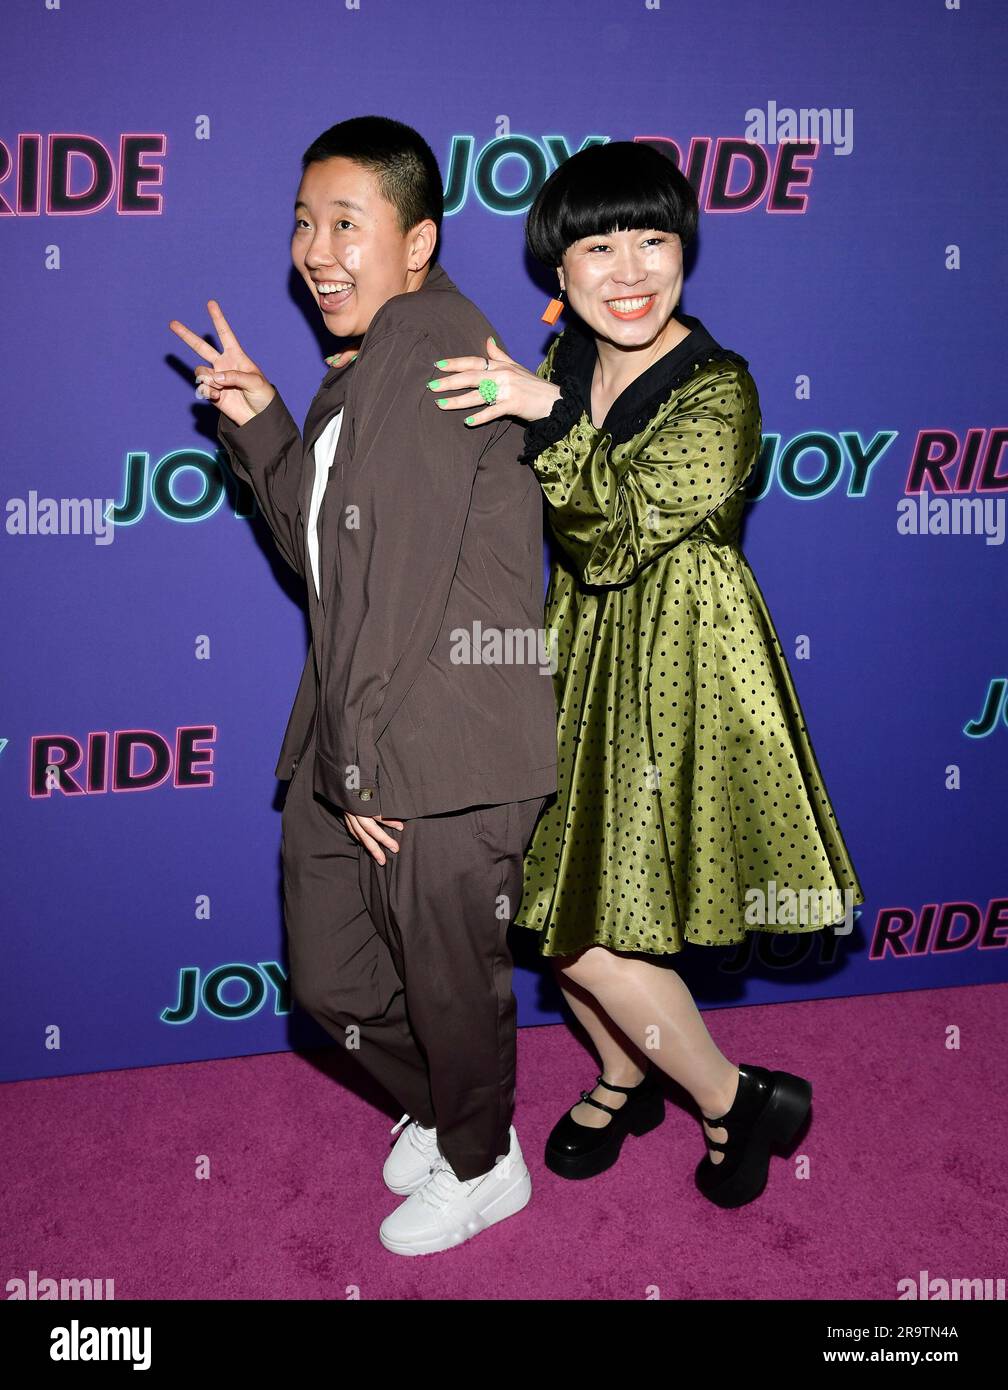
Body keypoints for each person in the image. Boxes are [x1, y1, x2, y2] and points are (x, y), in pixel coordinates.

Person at [426, 140, 864, 1209]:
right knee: (553, 903)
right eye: (599, 244)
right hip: (578, 646)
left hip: (683, 666)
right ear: (558, 268)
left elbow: (615, 538)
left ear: (687, 252)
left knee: (588, 920)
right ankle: (628, 1073)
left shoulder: (720, 390)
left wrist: (546, 414)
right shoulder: (566, 360)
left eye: (654, 240)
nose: (629, 270)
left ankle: (730, 1097)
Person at [169, 116, 557, 1254]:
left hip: (445, 746)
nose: (315, 248)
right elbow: (332, 562)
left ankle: (485, 1164)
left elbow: (396, 591)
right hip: (373, 731)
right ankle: (447, 1110)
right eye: (303, 221)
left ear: (418, 240)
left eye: (348, 223)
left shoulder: (434, 346)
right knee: (333, 981)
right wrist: (262, 426)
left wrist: (362, 763)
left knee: (449, 982)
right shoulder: (370, 363)